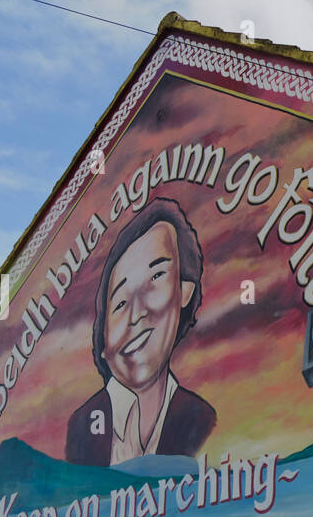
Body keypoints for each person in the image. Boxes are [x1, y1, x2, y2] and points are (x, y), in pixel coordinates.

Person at [66, 197, 216, 465]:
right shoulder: (82, 428)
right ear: (103, 341)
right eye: (120, 303)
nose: (136, 314)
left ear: (184, 292)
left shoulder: (201, 417)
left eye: (156, 277)